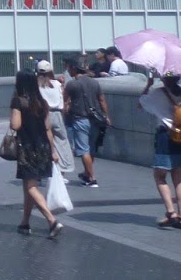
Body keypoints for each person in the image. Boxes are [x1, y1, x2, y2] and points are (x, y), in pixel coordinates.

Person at [140, 72, 181, 229]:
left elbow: (141, 104)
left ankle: (171, 213)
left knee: (160, 176)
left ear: (163, 79)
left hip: (166, 136)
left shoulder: (158, 93)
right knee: (179, 178)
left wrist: (148, 84)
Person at [10, 70, 63, 238]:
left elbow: (15, 125)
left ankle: (52, 221)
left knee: (31, 187)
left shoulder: (19, 101)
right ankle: (25, 222)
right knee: (29, 187)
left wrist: (14, 114)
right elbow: (48, 129)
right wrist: (53, 151)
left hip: (27, 148)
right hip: (43, 148)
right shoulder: (42, 102)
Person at [64, 58, 109, 187]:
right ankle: (86, 173)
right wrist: (106, 116)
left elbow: (64, 101)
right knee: (91, 149)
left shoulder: (72, 84)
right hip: (95, 119)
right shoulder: (94, 82)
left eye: (69, 68)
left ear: (73, 68)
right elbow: (101, 100)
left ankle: (91, 178)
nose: (68, 70)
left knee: (83, 150)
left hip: (80, 119)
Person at [35, 61, 73, 174]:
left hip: (42, 115)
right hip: (57, 114)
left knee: (42, 142)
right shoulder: (56, 84)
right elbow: (62, 98)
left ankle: (42, 170)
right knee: (61, 141)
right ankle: (62, 170)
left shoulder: (36, 85)